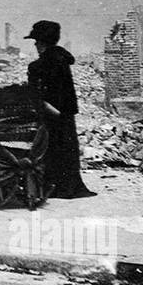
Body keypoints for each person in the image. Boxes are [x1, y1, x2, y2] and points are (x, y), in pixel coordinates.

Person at [24, 20, 95, 199]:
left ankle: (53, 186)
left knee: (51, 149)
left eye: (37, 42)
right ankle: (69, 186)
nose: (35, 46)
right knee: (68, 149)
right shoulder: (63, 60)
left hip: (50, 114)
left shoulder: (38, 66)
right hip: (66, 114)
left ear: (42, 43)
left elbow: (36, 94)